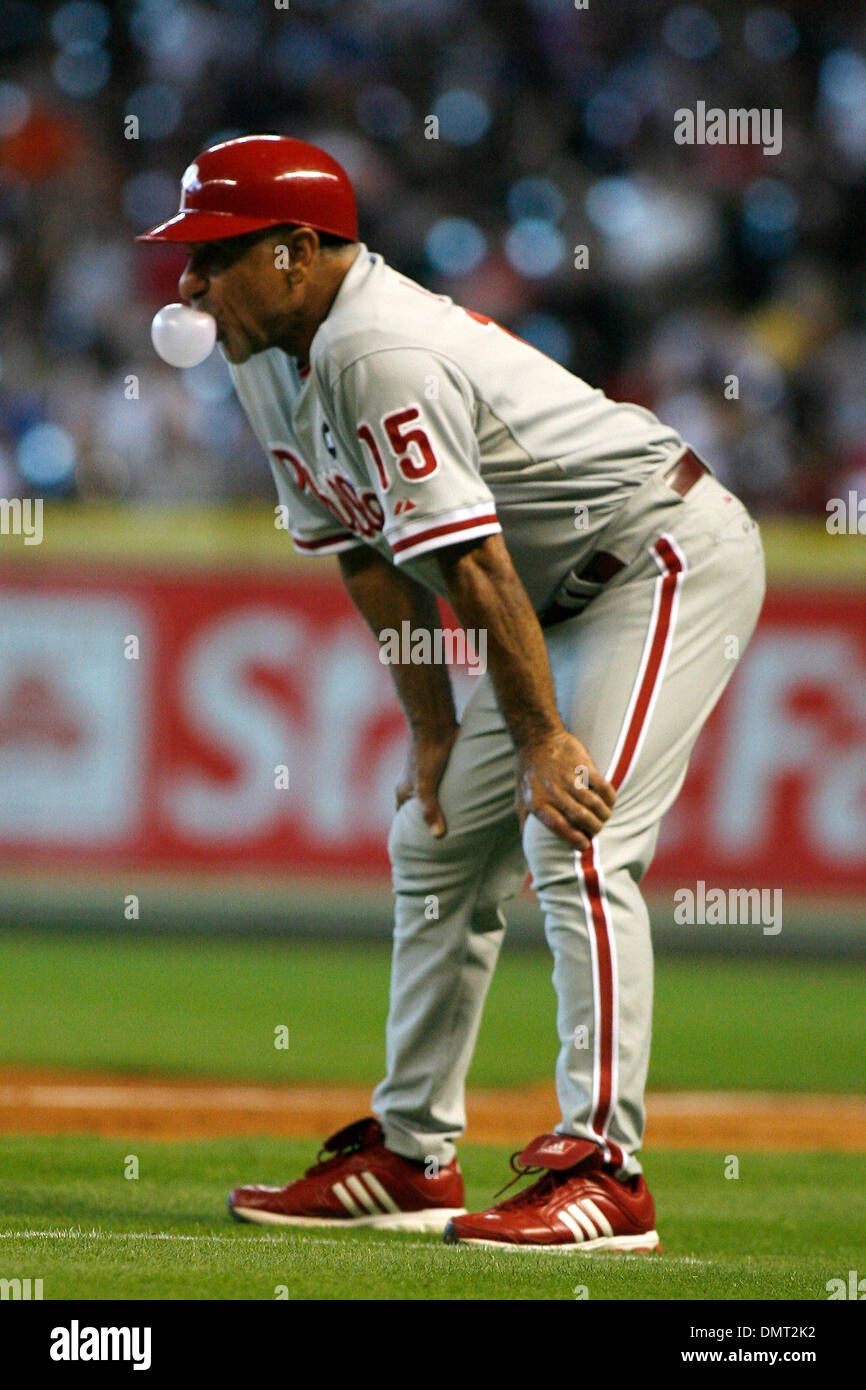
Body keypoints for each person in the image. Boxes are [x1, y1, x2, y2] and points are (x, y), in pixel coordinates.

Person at [139, 135, 765, 1250]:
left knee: (572, 830)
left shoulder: (377, 347)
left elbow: (471, 566)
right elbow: (363, 550)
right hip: (551, 598)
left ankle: (607, 1170)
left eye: (212, 255)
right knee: (431, 843)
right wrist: (432, 727)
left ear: (292, 252)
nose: (186, 285)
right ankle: (413, 1154)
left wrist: (541, 744)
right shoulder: (261, 353)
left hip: (658, 551)